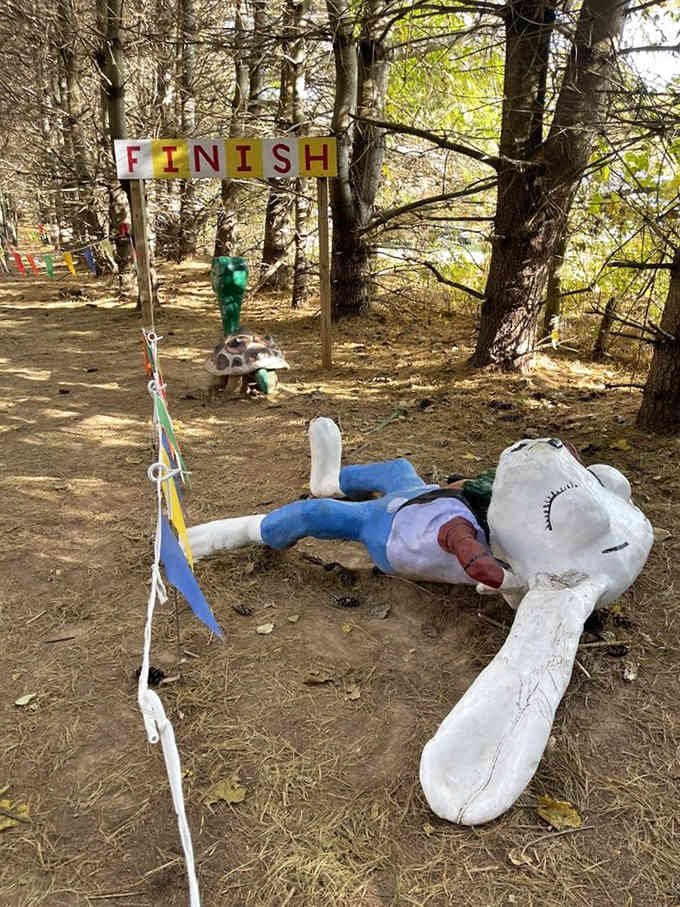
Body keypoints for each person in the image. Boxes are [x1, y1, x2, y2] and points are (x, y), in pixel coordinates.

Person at [187, 418, 521, 593]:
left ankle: (243, 531)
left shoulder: (462, 530)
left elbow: (476, 562)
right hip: (418, 498)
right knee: (400, 468)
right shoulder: (476, 498)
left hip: (388, 527)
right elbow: (458, 487)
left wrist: (503, 578)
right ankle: (329, 481)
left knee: (314, 513)